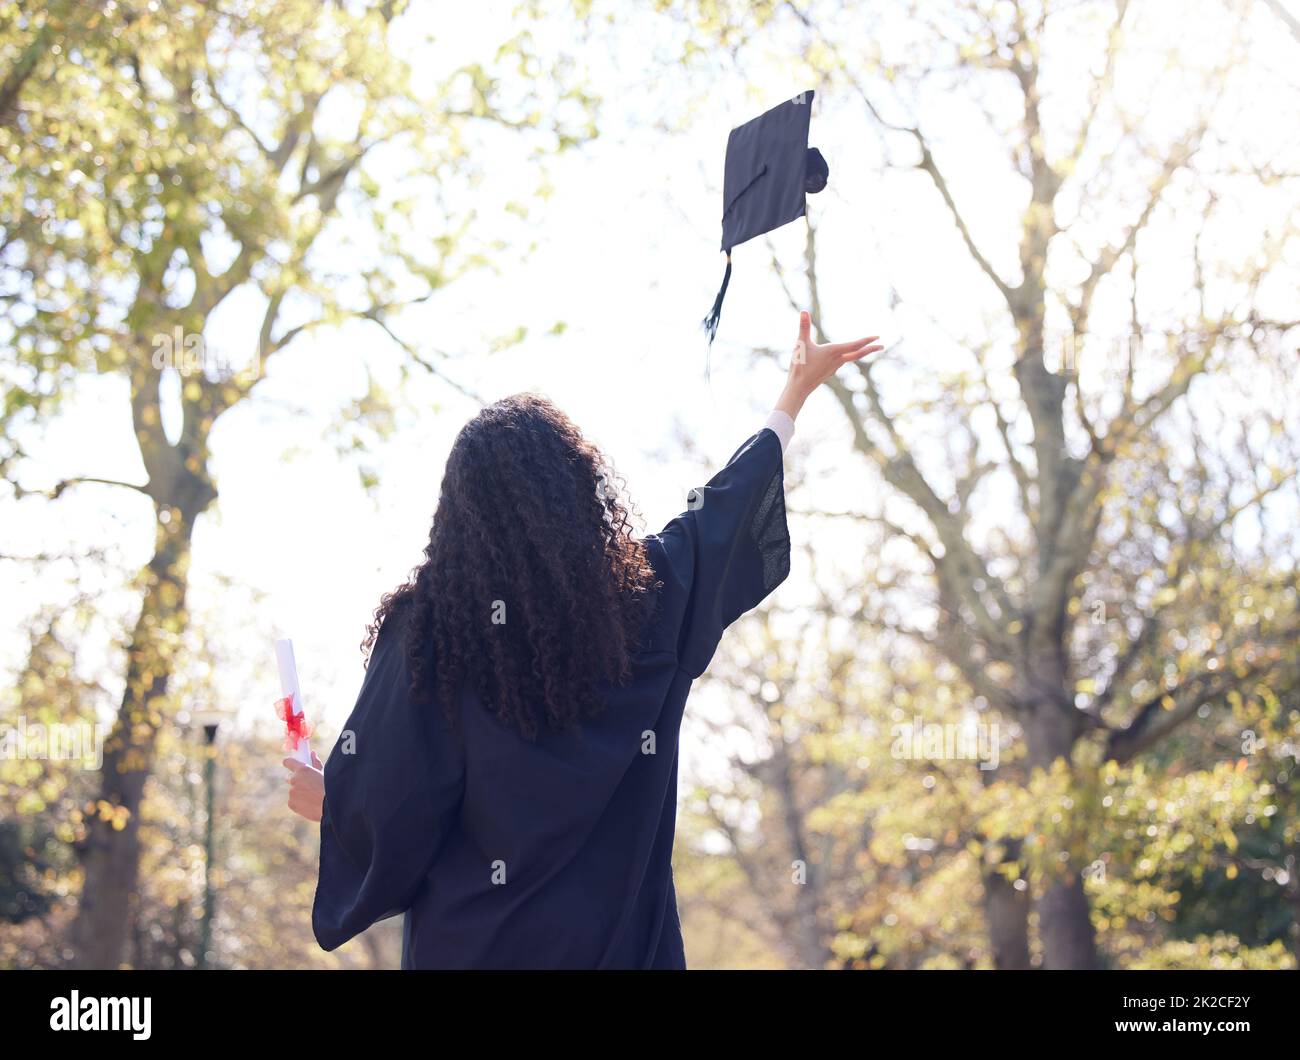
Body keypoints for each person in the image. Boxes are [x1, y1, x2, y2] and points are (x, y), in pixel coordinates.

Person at [283, 311, 881, 967]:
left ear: (456, 515)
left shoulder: (429, 637)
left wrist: (334, 806)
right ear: (581, 492)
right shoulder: (651, 603)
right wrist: (791, 397)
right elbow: (725, 513)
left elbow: (395, 806)